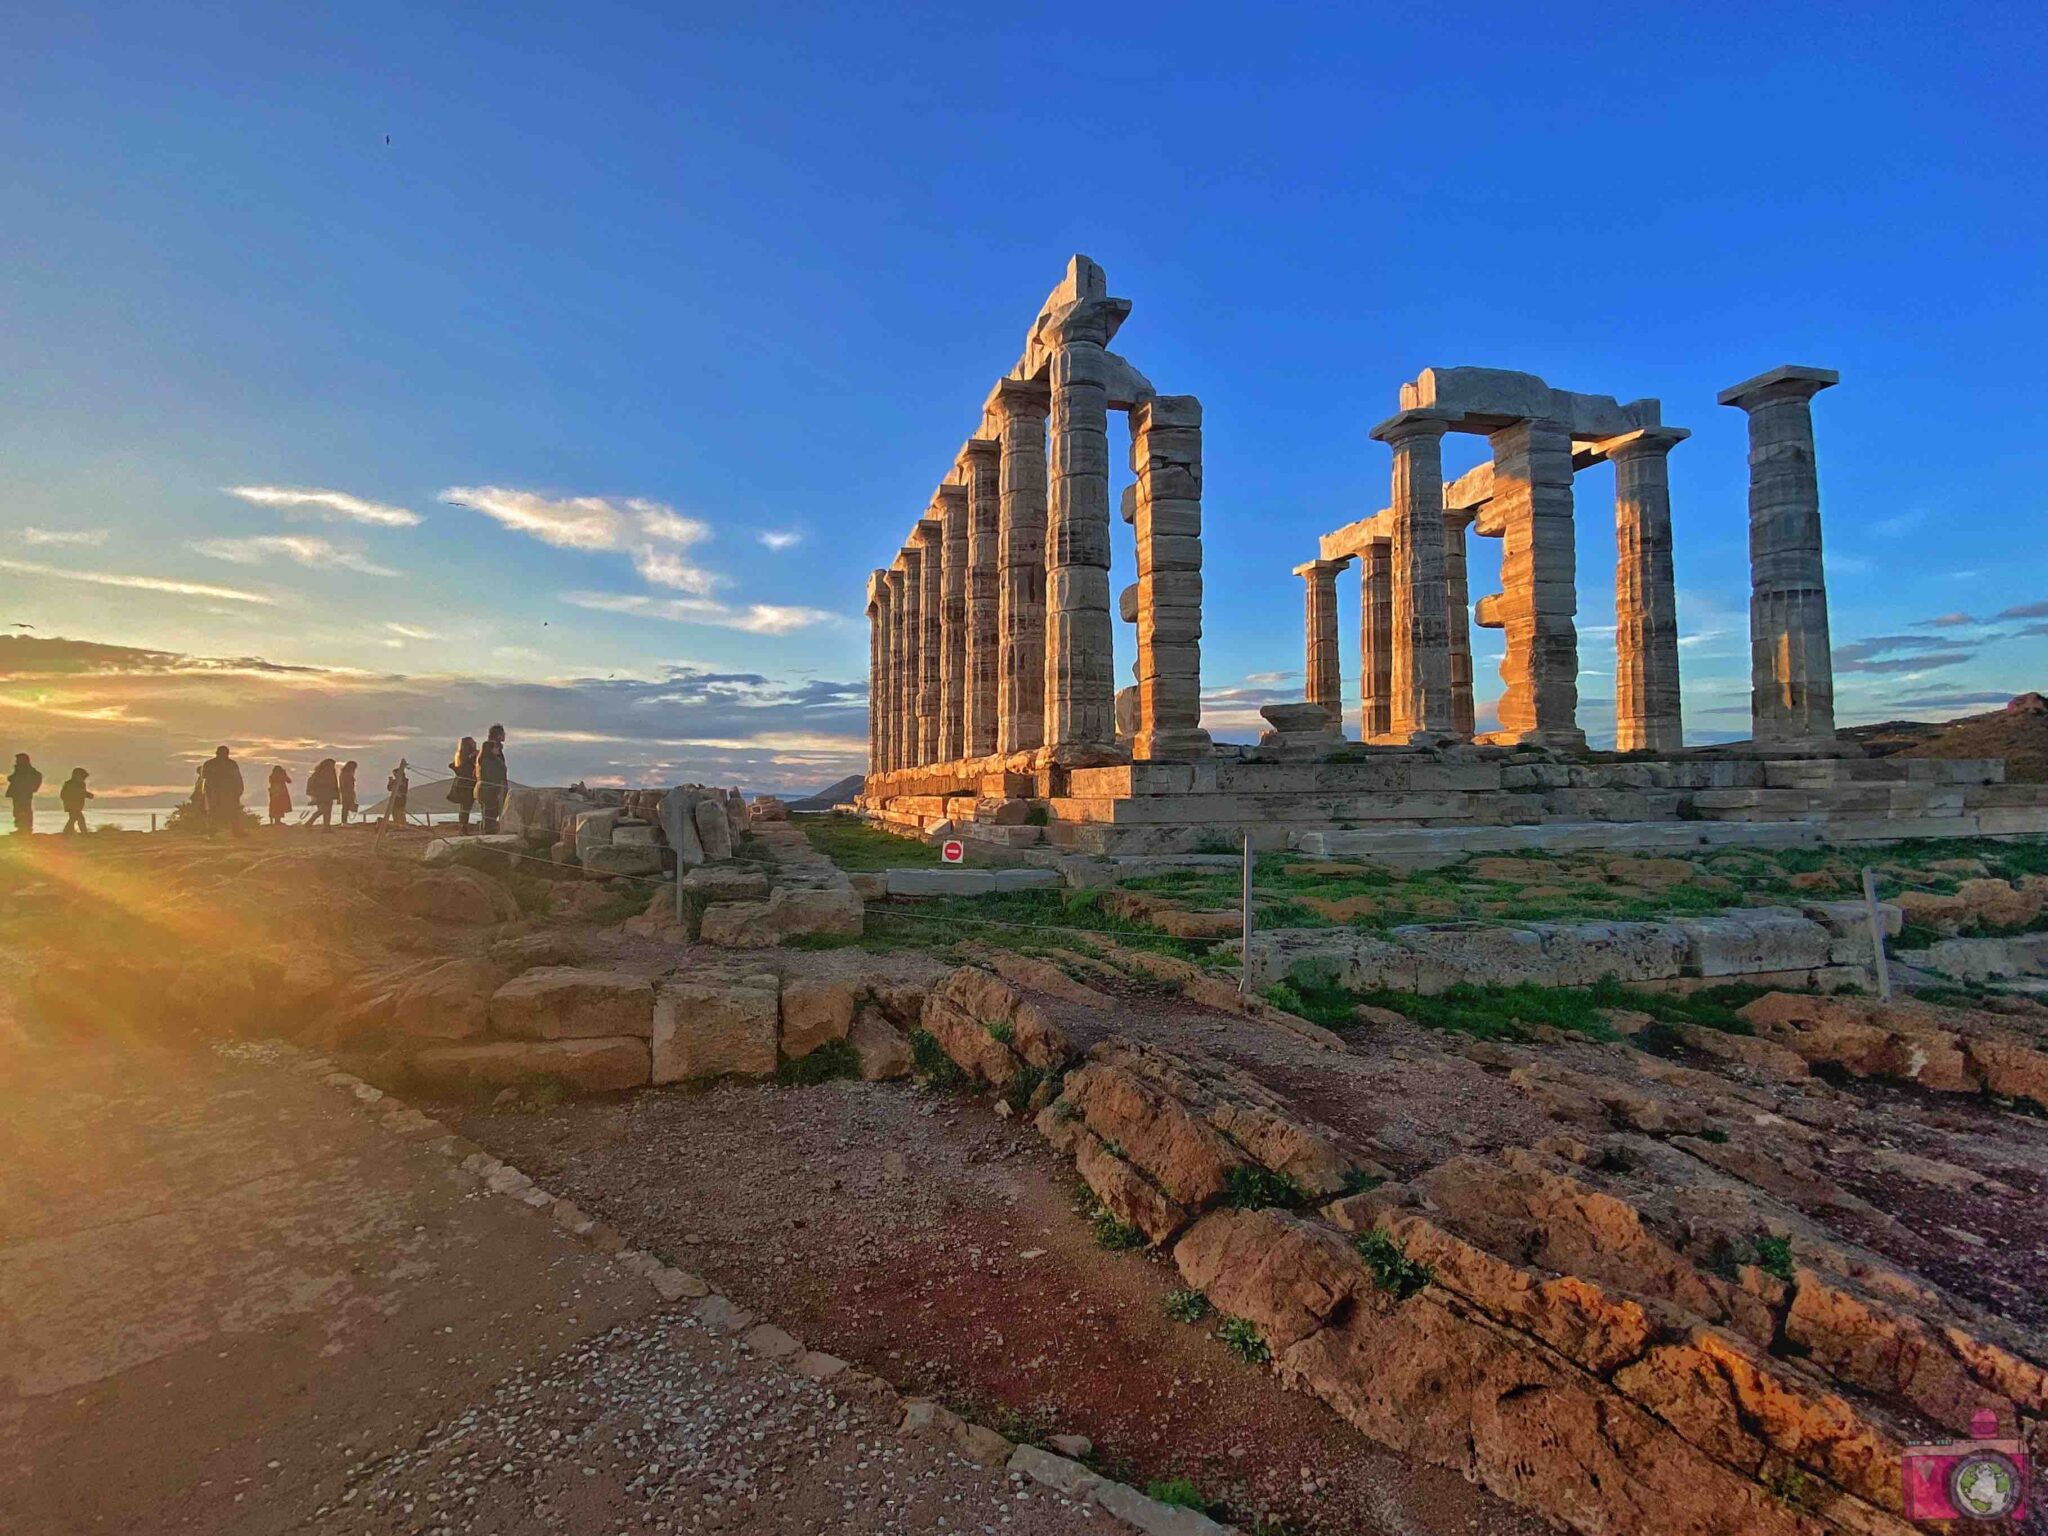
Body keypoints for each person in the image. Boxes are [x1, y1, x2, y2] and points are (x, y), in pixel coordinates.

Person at [200, 746, 244, 835]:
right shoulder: (210, 764)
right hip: (215, 791)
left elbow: (237, 777)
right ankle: (212, 831)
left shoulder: (231, 764)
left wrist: (239, 789)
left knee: (232, 811)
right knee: (213, 811)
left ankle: (235, 831)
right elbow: (204, 777)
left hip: (228, 791)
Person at [478, 723, 509, 835]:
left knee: (490, 813)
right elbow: (493, 772)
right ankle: (487, 835)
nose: (505, 735)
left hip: (493, 787)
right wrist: (498, 788)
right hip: (491, 788)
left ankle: (488, 832)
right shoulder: (489, 752)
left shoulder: (494, 752)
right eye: (502, 733)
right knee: (489, 813)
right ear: (498, 735)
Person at [448, 736, 479, 832]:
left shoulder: (459, 756)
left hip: (461, 784)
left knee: (464, 808)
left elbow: (454, 767)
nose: (475, 742)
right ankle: (463, 828)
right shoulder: (472, 756)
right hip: (468, 785)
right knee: (466, 807)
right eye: (473, 742)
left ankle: (462, 827)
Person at [8, 753, 43, 835]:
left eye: (18, 760)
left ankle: (25, 829)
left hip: (23, 794)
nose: (16, 762)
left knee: (23, 811)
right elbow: (12, 778)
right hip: (19, 794)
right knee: (18, 811)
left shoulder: (26, 770)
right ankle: (21, 828)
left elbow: (14, 779)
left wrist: (32, 788)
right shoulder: (22, 770)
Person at [306, 758, 339, 829]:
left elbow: (335, 785)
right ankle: (310, 822)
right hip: (320, 795)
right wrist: (312, 794)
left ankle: (326, 826)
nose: (333, 767)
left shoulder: (332, 774)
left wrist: (337, 796)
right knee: (322, 810)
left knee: (328, 811)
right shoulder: (318, 773)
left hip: (329, 795)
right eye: (331, 765)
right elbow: (311, 783)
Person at [59, 767, 93, 834]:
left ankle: (69, 832)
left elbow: (81, 793)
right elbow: (65, 794)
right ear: (77, 776)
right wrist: (87, 794)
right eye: (83, 777)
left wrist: (87, 795)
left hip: (77, 805)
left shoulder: (81, 784)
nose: (84, 779)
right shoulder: (70, 784)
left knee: (73, 819)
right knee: (77, 819)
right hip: (72, 805)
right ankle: (82, 832)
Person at [385, 759, 410, 825]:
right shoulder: (395, 781)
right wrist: (390, 782)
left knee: (400, 811)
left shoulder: (404, 780)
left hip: (401, 798)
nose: (394, 775)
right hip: (395, 798)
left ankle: (401, 823)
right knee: (395, 811)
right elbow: (389, 788)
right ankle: (397, 823)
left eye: (395, 774)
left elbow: (404, 789)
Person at [339, 760, 359, 824]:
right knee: (345, 807)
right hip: (347, 792)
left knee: (346, 807)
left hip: (346, 792)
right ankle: (344, 821)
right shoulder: (346, 774)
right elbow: (346, 784)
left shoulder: (344, 773)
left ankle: (344, 821)